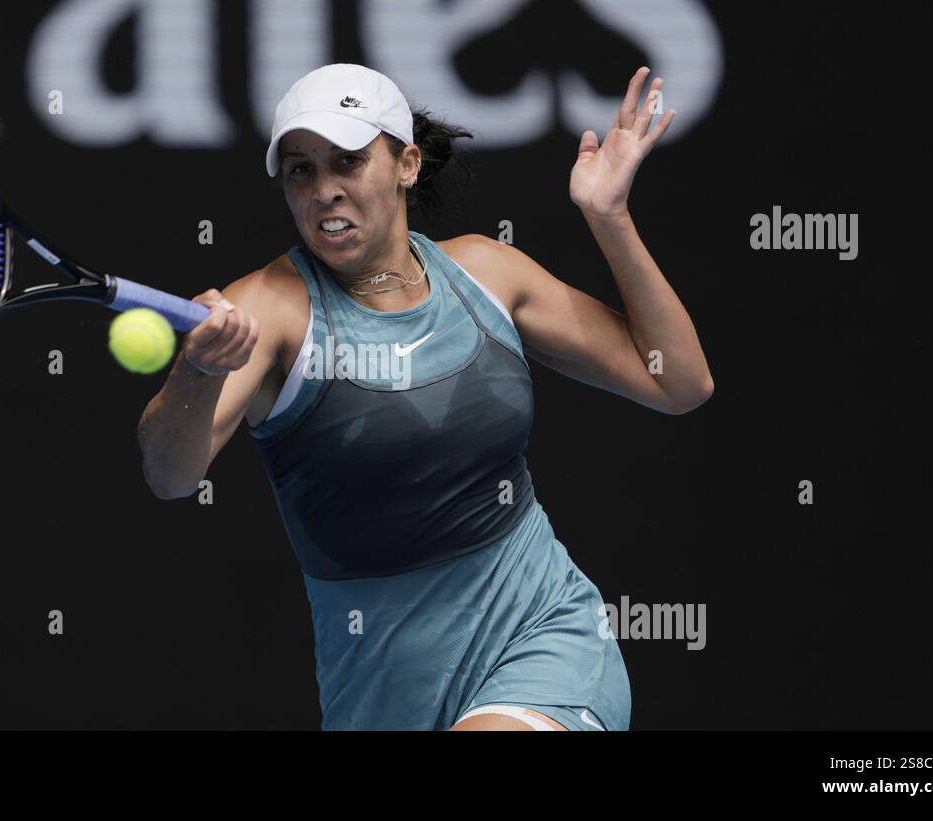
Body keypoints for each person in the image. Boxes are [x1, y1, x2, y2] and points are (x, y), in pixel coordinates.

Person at [138, 63, 711, 730]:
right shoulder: (266, 309)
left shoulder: (487, 274)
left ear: (407, 163)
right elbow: (171, 477)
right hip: (379, 691)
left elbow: (679, 381)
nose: (325, 191)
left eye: (349, 162)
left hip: (542, 634)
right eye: (301, 170)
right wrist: (198, 373)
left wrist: (608, 216)